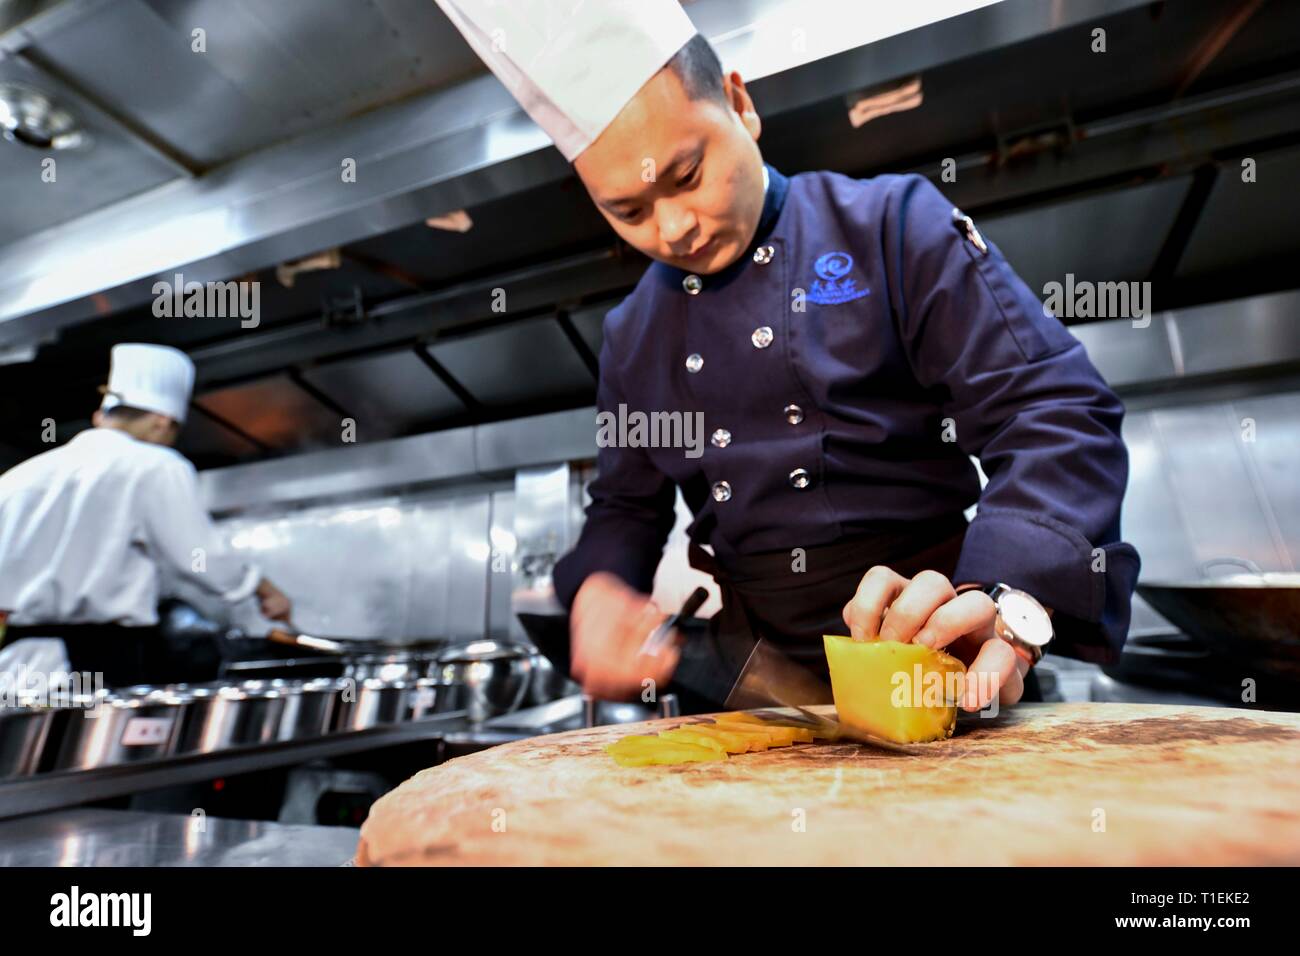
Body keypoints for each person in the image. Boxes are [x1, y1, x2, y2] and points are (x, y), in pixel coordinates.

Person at [436, 0, 1140, 712]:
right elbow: (625, 505)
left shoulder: (892, 229)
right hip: (752, 682)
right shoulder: (635, 333)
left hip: (937, 648)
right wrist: (601, 590)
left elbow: (1050, 409)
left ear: (739, 105)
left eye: (686, 176)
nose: (674, 228)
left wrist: (1008, 593)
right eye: (629, 211)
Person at [0, 343, 292, 687]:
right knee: (98, 743)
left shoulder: (15, 479)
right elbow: (199, 559)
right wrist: (263, 588)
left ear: (101, 416)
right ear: (161, 422)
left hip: (13, 668)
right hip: (95, 666)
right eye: (171, 434)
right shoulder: (153, 465)